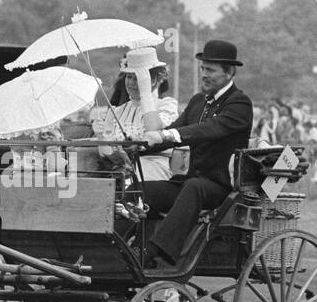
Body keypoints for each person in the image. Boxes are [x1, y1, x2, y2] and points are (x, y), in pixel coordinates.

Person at [138, 39, 253, 276]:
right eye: (202, 68)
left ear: (230, 72)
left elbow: (210, 129)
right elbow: (171, 134)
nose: (204, 74)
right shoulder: (197, 101)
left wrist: (165, 134)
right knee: (139, 190)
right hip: (188, 184)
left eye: (210, 70)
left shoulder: (239, 103)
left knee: (194, 186)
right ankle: (121, 248)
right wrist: (134, 148)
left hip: (219, 188)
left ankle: (154, 252)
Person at [89, 46, 178, 182]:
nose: (130, 83)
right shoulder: (117, 111)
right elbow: (106, 155)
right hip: (120, 172)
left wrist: (145, 91)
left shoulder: (166, 104)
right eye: (128, 77)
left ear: (153, 80)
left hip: (151, 170)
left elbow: (153, 128)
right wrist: (101, 136)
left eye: (137, 78)